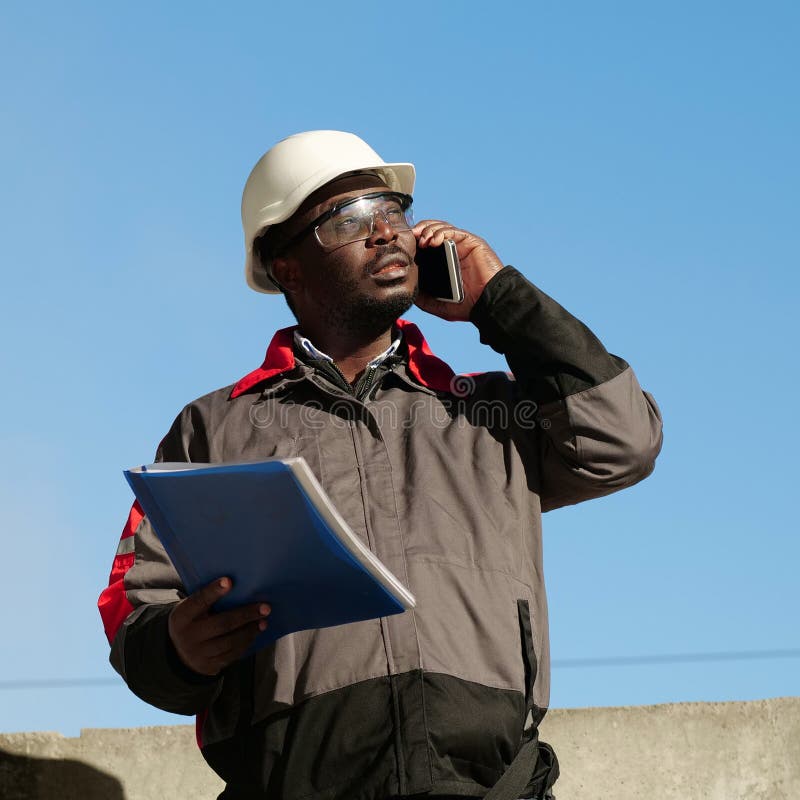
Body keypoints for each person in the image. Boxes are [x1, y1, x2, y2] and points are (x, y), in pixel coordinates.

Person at [99, 130, 663, 800]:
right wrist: (177, 650)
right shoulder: (213, 428)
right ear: (287, 266)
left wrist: (501, 300)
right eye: (350, 221)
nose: (385, 234)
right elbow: (134, 606)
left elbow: (622, 441)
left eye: (392, 213)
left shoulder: (488, 412)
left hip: (490, 786)